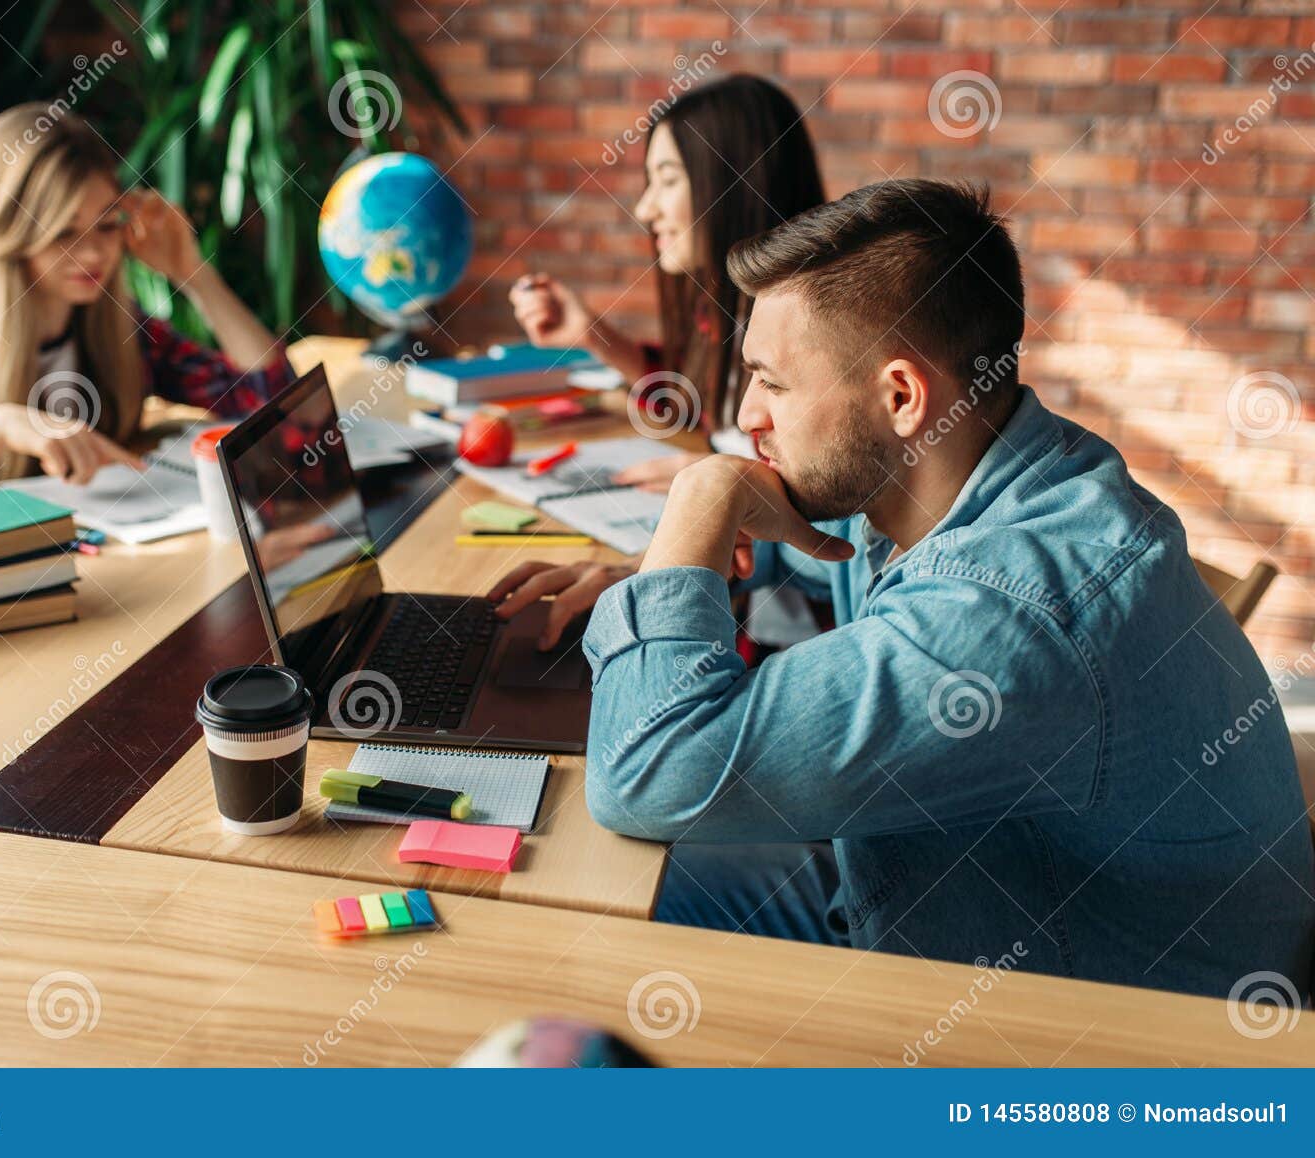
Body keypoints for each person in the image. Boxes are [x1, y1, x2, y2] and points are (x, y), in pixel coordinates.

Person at [580, 177, 1315, 999]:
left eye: (771, 382)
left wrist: (702, 500)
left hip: (1094, 1066)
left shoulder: (1009, 612)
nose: (747, 415)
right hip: (921, 905)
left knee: (584, 929)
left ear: (901, 396)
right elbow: (833, 547)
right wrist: (648, 576)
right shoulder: (970, 470)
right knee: (603, 906)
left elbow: (647, 771)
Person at [496, 75, 826, 649]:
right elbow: (708, 406)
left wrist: (721, 490)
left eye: (667, 180)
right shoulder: (722, 310)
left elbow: (832, 514)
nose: (646, 208)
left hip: (793, 636)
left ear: (736, 182)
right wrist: (594, 337)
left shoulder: (815, 331)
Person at [0, 104, 293, 515]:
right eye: (63, 233)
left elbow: (275, 409)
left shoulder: (119, 326)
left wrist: (193, 273)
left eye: (106, 225)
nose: (93, 256)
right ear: (4, 237)